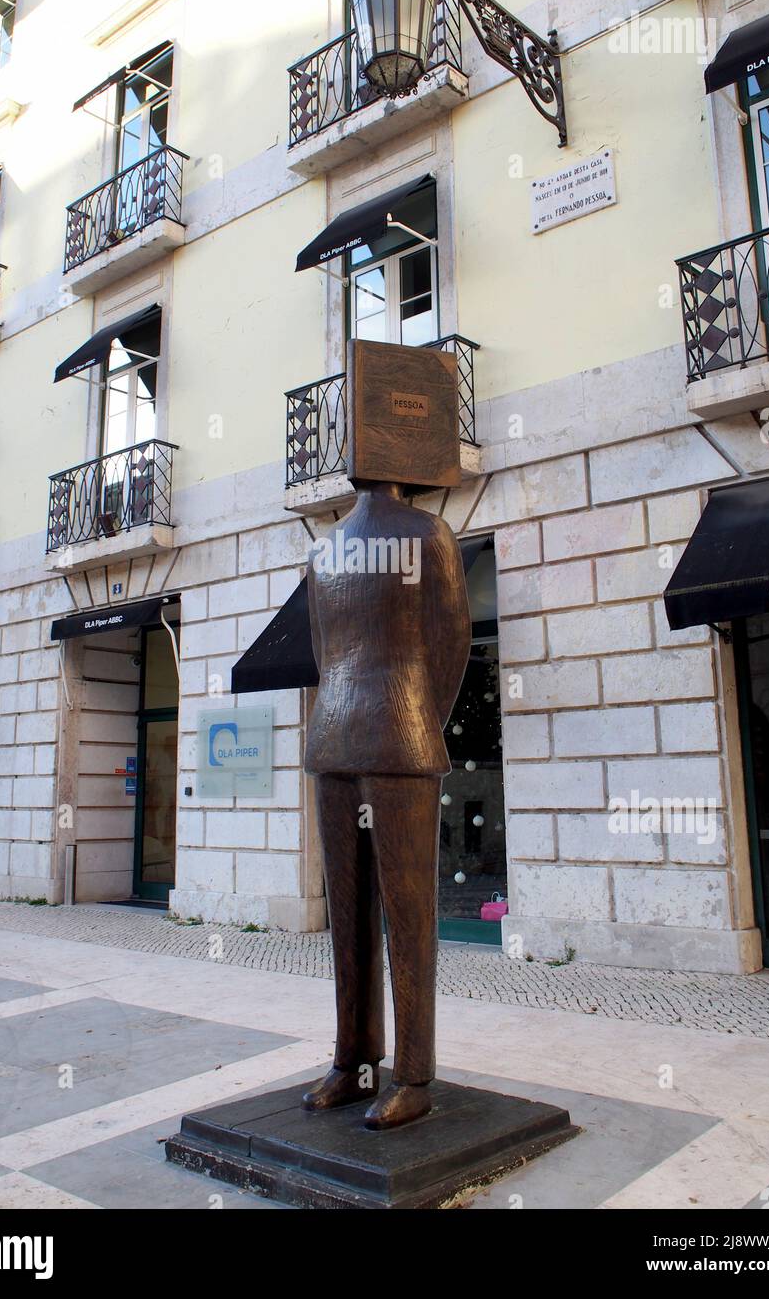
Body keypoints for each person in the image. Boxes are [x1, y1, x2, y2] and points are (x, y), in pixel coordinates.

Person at [302, 477, 470, 1129]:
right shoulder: (335, 548)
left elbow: (447, 640)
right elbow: (450, 640)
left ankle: (412, 1073)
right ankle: (354, 1060)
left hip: (375, 737)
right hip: (351, 739)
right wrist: (421, 719)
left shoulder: (413, 537)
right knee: (356, 914)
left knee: (404, 914)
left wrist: (419, 725)